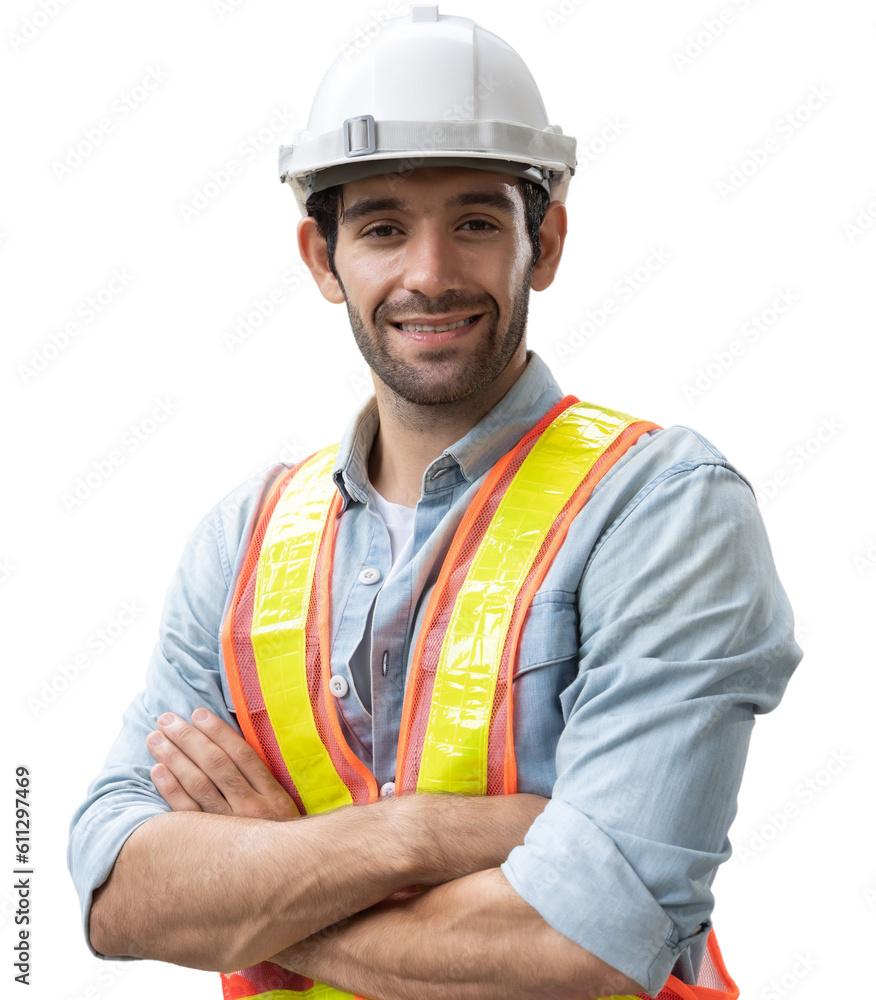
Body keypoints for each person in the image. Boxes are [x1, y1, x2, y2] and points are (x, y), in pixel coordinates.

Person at [67, 6, 802, 999]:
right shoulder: (242, 541)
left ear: (543, 245)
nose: (430, 273)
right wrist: (418, 833)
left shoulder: (662, 511)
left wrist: (252, 894)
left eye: (475, 220)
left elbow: (581, 944)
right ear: (322, 260)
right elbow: (115, 896)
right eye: (380, 226)